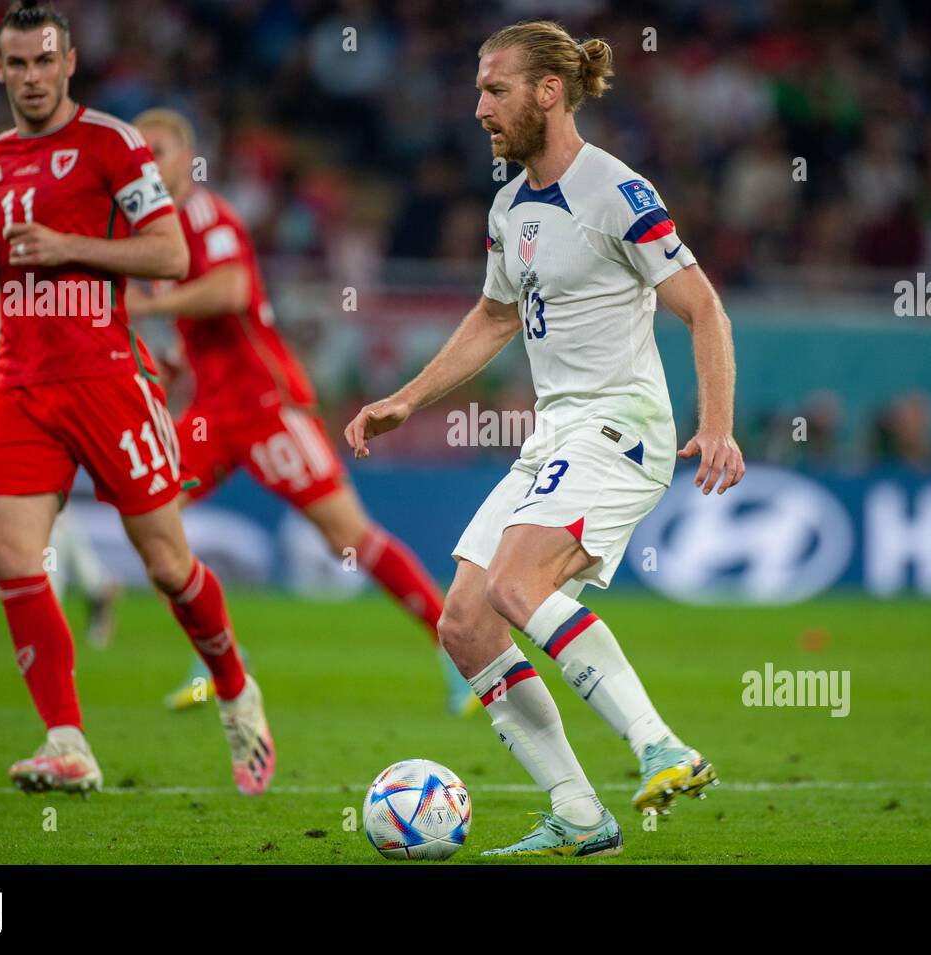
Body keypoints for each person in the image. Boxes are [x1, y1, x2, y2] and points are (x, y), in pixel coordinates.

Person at [346, 21, 745, 857]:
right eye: (479, 90)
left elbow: (703, 306)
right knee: (464, 622)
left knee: (516, 585)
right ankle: (579, 808)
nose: (480, 107)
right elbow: (495, 315)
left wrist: (716, 425)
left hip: (621, 428)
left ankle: (659, 744)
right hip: (557, 431)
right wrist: (407, 398)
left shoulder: (616, 192)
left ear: (549, 91)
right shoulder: (508, 205)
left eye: (495, 90)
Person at [0, 1, 272, 795]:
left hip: (106, 377)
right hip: (20, 379)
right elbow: (24, 259)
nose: (32, 77)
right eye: (17, 64)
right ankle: (67, 742)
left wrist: (69, 247)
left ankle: (235, 687)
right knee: (10, 554)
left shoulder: (113, 143)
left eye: (45, 62)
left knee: (167, 563)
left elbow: (168, 253)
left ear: (69, 66)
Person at [126, 108, 474, 715]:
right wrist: (178, 358)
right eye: (140, 155)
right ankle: (217, 659)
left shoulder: (206, 216)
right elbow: (203, 322)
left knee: (350, 535)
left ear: (186, 158)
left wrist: (151, 309)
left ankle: (460, 650)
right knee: (150, 518)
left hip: (267, 406)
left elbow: (233, 290)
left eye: (159, 150)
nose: (149, 164)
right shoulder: (155, 234)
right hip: (213, 411)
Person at [0, 197, 121, 647]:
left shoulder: (45, 219)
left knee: (37, 491)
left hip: (50, 365)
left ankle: (69, 595)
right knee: (30, 492)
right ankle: (86, 585)